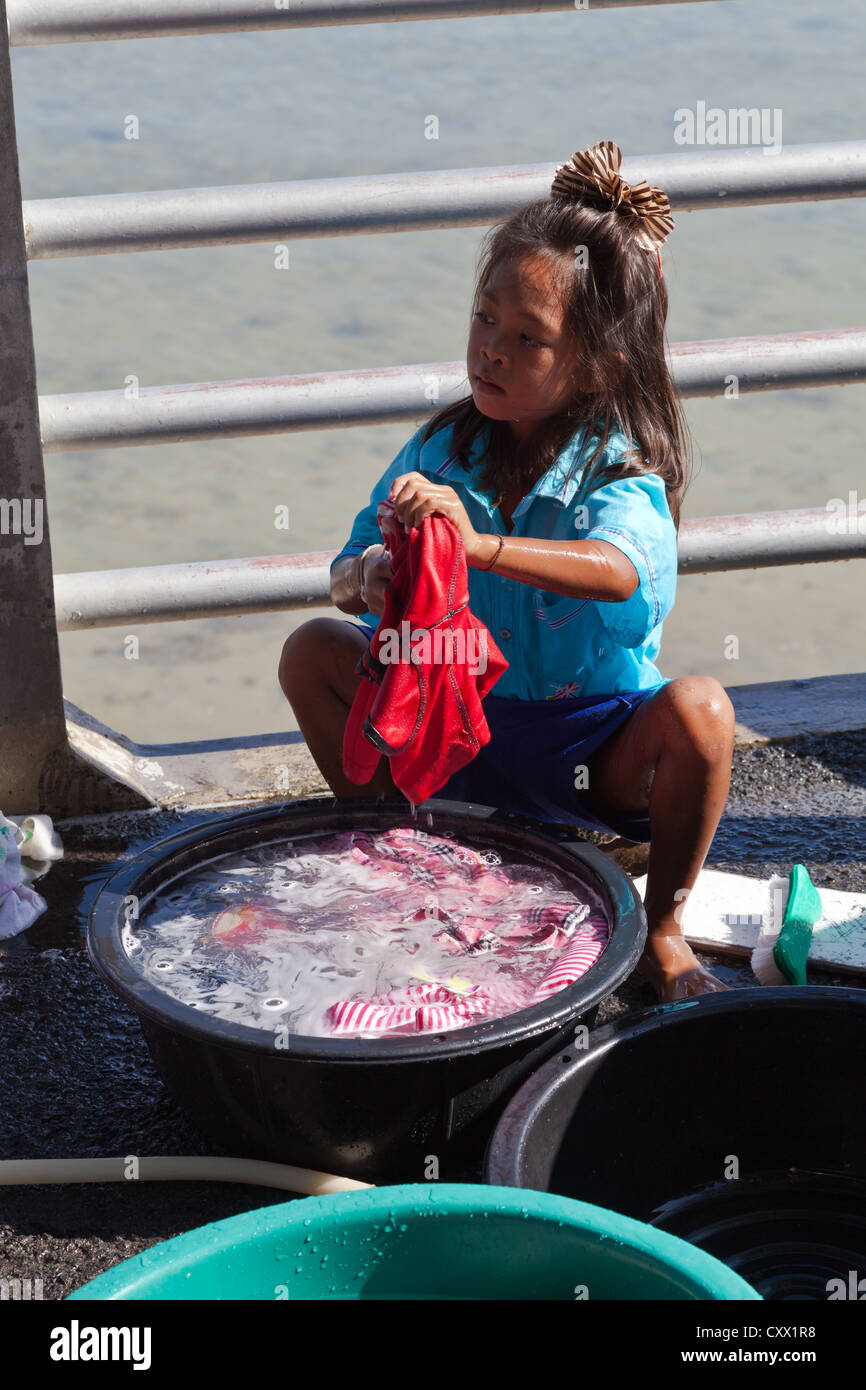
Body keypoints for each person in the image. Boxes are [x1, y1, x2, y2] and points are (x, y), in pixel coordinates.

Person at [279, 139, 734, 1002]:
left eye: (529, 339)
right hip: (450, 727)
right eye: (485, 319)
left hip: (586, 743)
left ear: (599, 365)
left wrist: (478, 546)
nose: (490, 349)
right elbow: (340, 573)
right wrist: (375, 574)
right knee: (311, 651)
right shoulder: (442, 448)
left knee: (702, 714)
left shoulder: (617, 464)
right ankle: (400, 850)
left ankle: (665, 932)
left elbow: (617, 571)